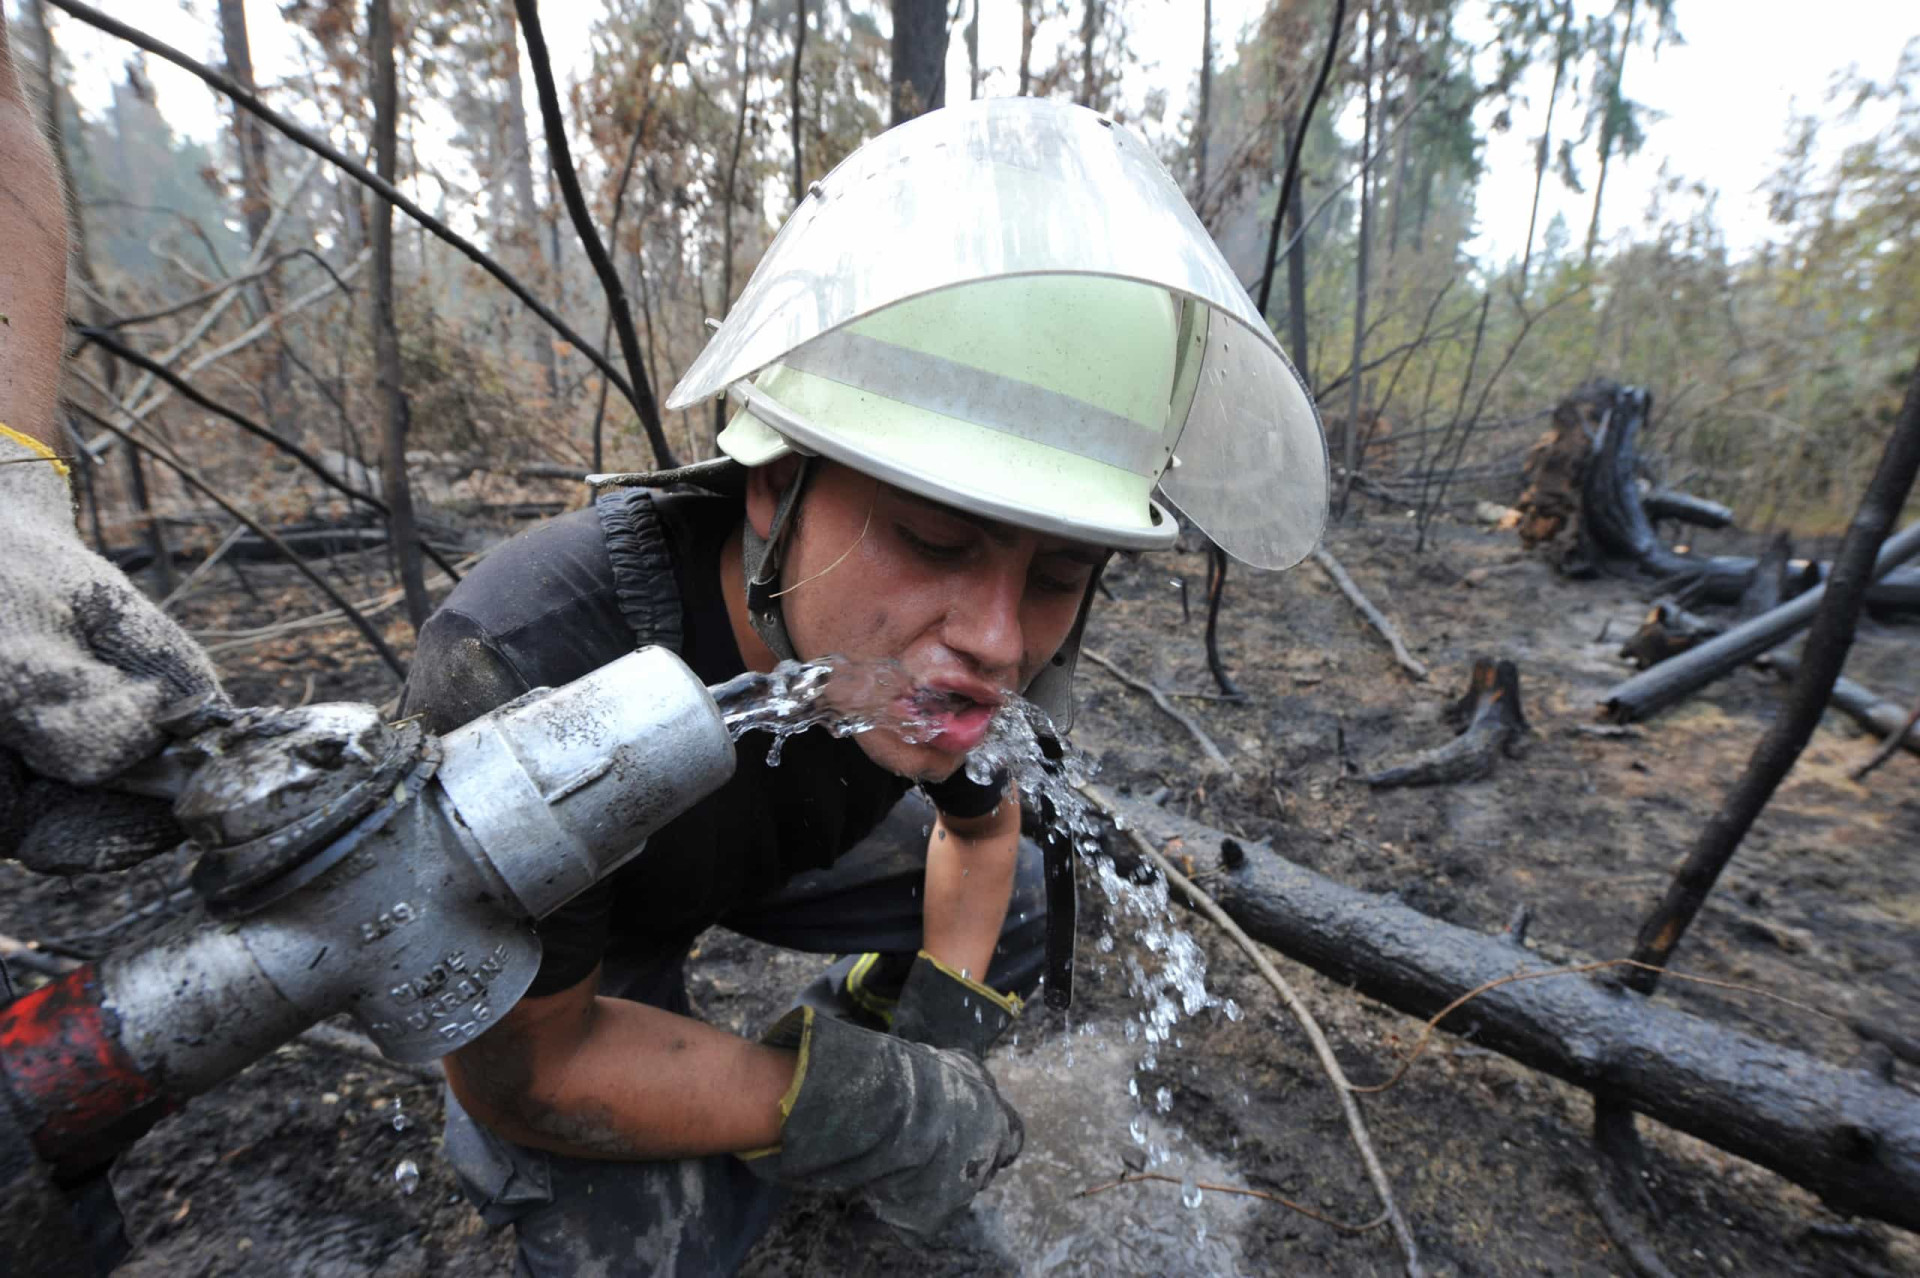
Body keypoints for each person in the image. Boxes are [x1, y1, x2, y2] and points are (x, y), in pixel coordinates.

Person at [406, 99, 1326, 1275]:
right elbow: (522, 1071)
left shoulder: (990, 646)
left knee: (1030, 909)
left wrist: (931, 1054)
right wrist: (872, 1110)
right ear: (774, 486)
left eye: (1057, 573)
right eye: (936, 543)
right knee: (652, 1246)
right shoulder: (532, 660)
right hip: (582, 956)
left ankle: (838, 1050)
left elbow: (987, 833)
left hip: (763, 862)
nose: (997, 640)